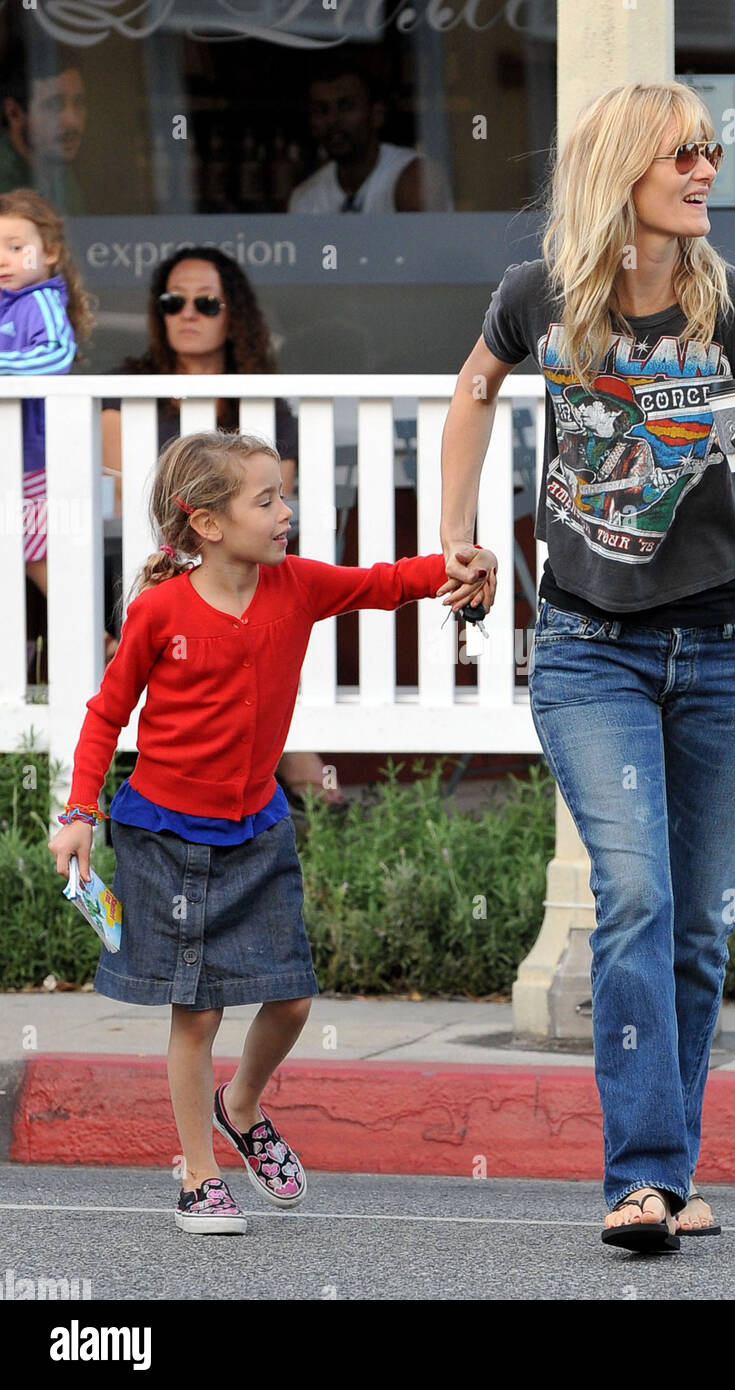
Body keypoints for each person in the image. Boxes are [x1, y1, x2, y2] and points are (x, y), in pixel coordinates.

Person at [439, 81, 735, 1251]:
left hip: (726, 649)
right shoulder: (542, 297)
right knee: (636, 895)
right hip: (590, 649)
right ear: (621, 174)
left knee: (695, 923)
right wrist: (464, 535)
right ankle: (642, 1178)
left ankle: (669, 1169)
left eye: (710, 151)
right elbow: (472, 389)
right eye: (680, 156)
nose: (705, 171)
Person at [47, 428, 494, 1232]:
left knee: (290, 1000)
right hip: (165, 836)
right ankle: (196, 1175)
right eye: (268, 499)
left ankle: (240, 1105)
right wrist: (80, 814)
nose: (286, 511)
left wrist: (455, 567)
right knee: (199, 1012)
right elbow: (105, 714)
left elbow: (383, 583)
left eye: (284, 494)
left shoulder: (296, 587)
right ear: (210, 524)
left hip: (257, 830)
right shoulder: (160, 613)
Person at [99, 244, 333, 806]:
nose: (188, 313)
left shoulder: (263, 400)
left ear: (234, 314)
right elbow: (122, 495)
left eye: (207, 302)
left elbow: (280, 496)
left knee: (269, 613)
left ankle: (288, 754)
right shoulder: (127, 386)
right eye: (172, 300)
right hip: (141, 560)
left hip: (235, 568)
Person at [0, 188, 96, 654]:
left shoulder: (39, 302)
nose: (4, 258)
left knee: (40, 558)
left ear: (51, 252)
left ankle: (96, 640)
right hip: (9, 461)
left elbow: (57, 355)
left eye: (16, 247)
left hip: (31, 460)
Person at [288, 64, 452, 213]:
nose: (332, 120)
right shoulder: (305, 198)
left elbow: (424, 242)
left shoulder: (414, 176)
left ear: (376, 115)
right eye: (321, 110)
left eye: (346, 107)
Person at [0, 50, 87, 213]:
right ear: (14, 113)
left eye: (79, 103)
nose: (72, 120)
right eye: (54, 105)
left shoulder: (60, 171)